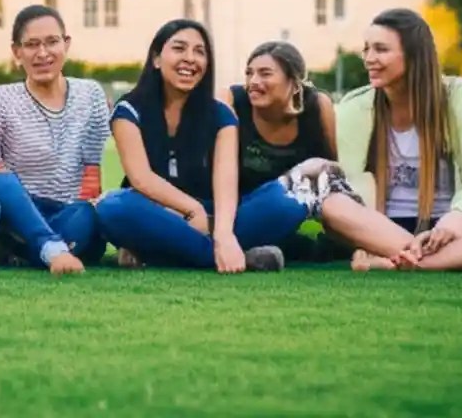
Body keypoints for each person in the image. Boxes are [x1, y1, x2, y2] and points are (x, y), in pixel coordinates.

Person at [321, 8, 462, 274]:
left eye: (381, 49)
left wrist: (455, 223)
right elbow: (350, 183)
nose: (369, 59)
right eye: (366, 49)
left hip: (450, 227)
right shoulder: (355, 107)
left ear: (415, 54)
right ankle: (454, 262)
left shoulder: (458, 96)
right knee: (331, 205)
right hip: (381, 231)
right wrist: (367, 244)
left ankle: (405, 262)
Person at [93, 19, 308, 272]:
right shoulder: (128, 110)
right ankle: (226, 255)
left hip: (215, 216)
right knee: (112, 207)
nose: (190, 58)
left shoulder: (221, 115)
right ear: (156, 59)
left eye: (199, 52)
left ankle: (172, 252)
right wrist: (191, 210)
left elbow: (226, 185)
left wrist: (224, 234)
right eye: (179, 48)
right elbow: (141, 179)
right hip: (155, 211)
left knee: (288, 202)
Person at [0, 5, 109, 275]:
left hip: (66, 210)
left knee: (88, 215)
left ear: (66, 44)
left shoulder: (91, 95)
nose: (42, 53)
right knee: (1, 180)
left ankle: (24, 251)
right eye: (31, 45)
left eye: (52, 42)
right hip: (18, 208)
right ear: (17, 52)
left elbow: (92, 173)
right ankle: (51, 248)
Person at [220, 41, 361, 263]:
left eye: (265, 74)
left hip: (291, 213)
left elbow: (332, 176)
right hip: (241, 211)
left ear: (295, 85)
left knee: (319, 243)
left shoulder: (317, 106)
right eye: (249, 74)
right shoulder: (231, 101)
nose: (253, 82)